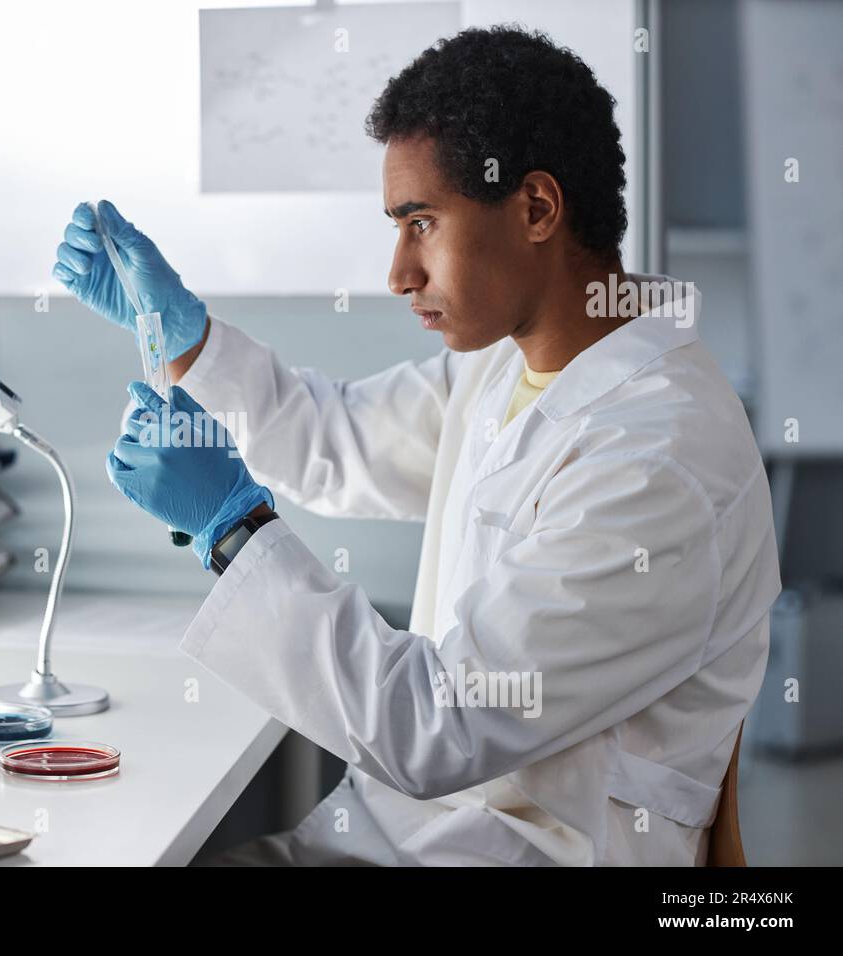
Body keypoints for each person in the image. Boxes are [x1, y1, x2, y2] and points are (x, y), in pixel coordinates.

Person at [52, 26, 779, 866]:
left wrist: (234, 528)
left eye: (422, 223)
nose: (399, 272)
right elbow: (335, 440)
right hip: (404, 831)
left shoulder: (658, 460)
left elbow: (441, 727)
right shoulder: (513, 363)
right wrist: (184, 339)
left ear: (537, 208)